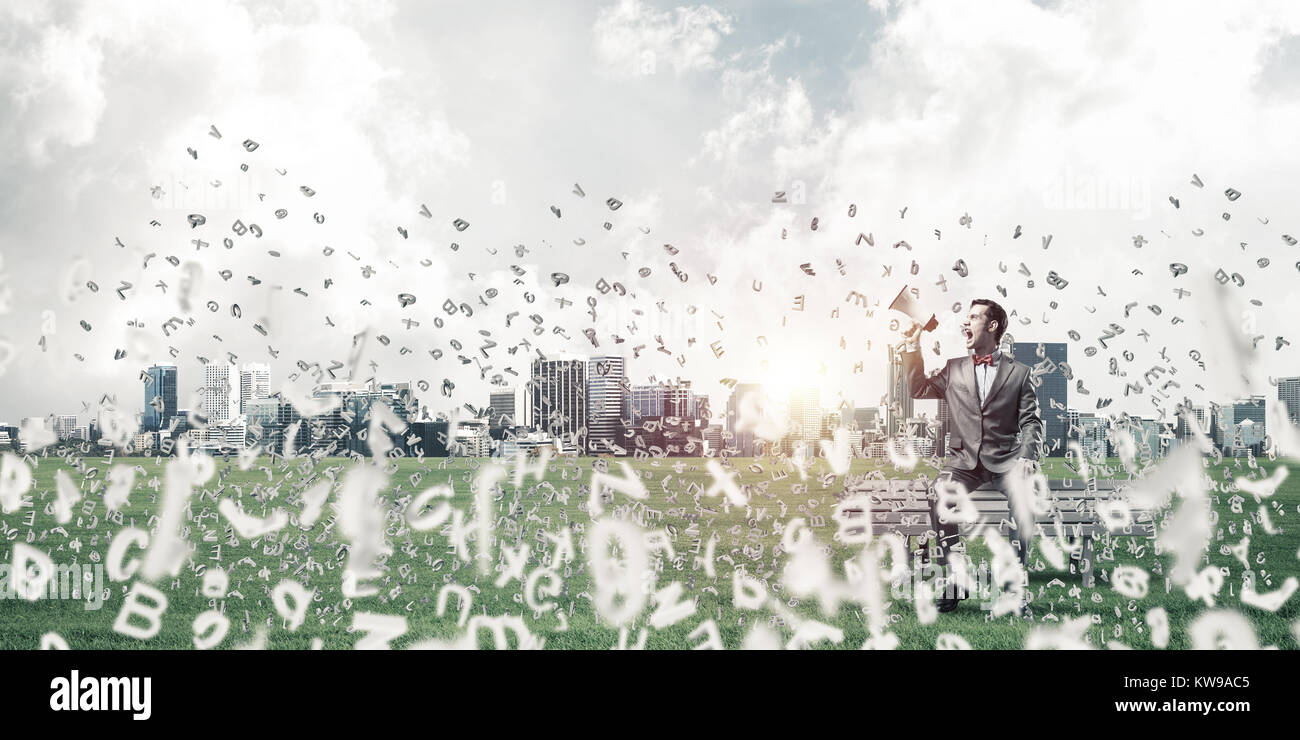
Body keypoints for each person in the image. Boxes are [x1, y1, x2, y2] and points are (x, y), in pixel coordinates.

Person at [899, 298, 1042, 613]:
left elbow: (1031, 421)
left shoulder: (1020, 373)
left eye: (974, 317)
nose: (966, 323)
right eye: (966, 317)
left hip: (1007, 461)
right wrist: (912, 346)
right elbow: (917, 390)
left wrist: (1028, 455)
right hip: (963, 464)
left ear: (992, 326)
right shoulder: (953, 368)